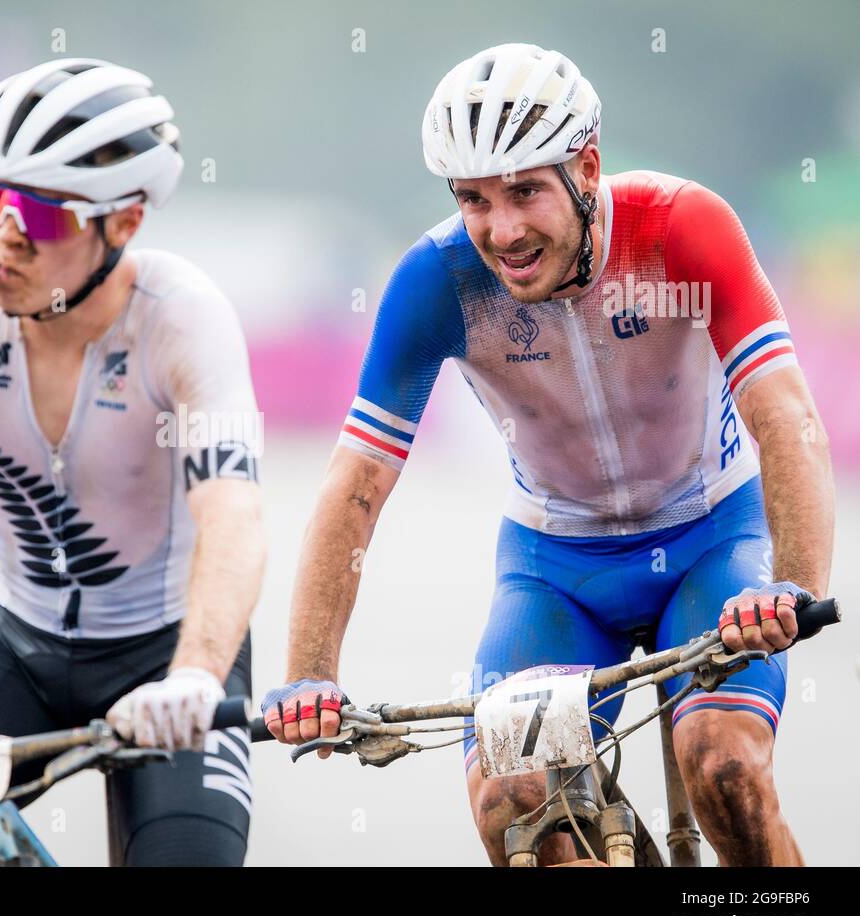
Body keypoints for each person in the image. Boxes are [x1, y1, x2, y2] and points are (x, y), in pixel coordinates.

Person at [261, 43, 834, 866]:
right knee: (510, 800)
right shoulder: (438, 281)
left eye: (525, 189)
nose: (502, 230)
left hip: (714, 539)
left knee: (725, 764)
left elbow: (787, 418)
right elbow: (353, 484)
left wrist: (795, 585)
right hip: (558, 571)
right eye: (473, 200)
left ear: (588, 168)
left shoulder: (681, 226)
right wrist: (311, 672)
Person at [0, 58, 265, 867]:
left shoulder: (182, 316)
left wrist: (199, 674)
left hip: (168, 653)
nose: (8, 234)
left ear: (124, 224)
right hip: (16, 647)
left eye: (41, 211)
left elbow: (234, 513)